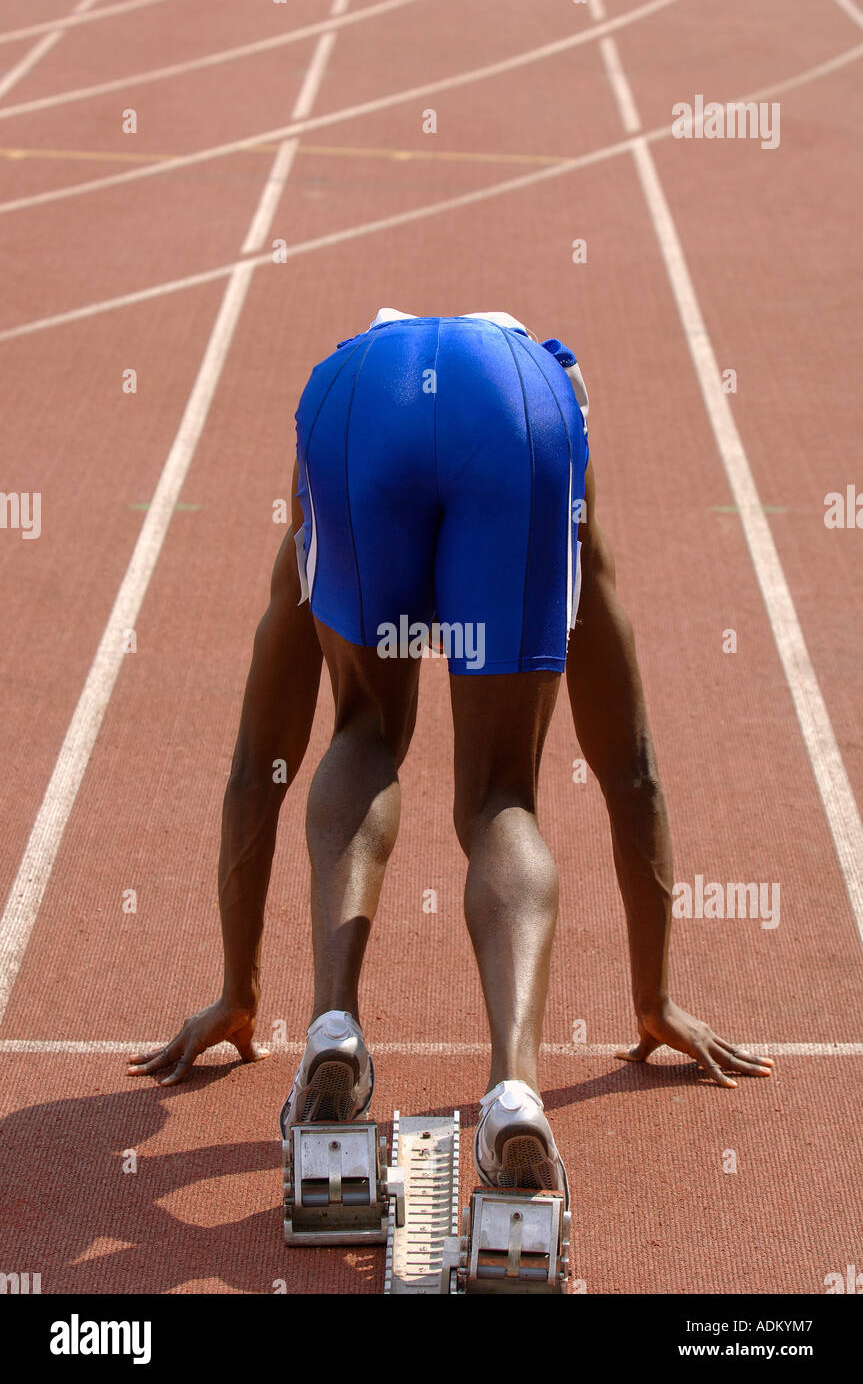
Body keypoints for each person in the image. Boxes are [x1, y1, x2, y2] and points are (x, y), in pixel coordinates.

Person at [129, 309, 772, 1196]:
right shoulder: (564, 454)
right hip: (518, 415)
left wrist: (239, 989)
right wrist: (651, 997)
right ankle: (514, 1090)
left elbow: (256, 769)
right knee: (501, 796)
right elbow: (633, 770)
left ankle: (331, 1028)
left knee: (363, 732)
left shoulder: (325, 445)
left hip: (363, 405)